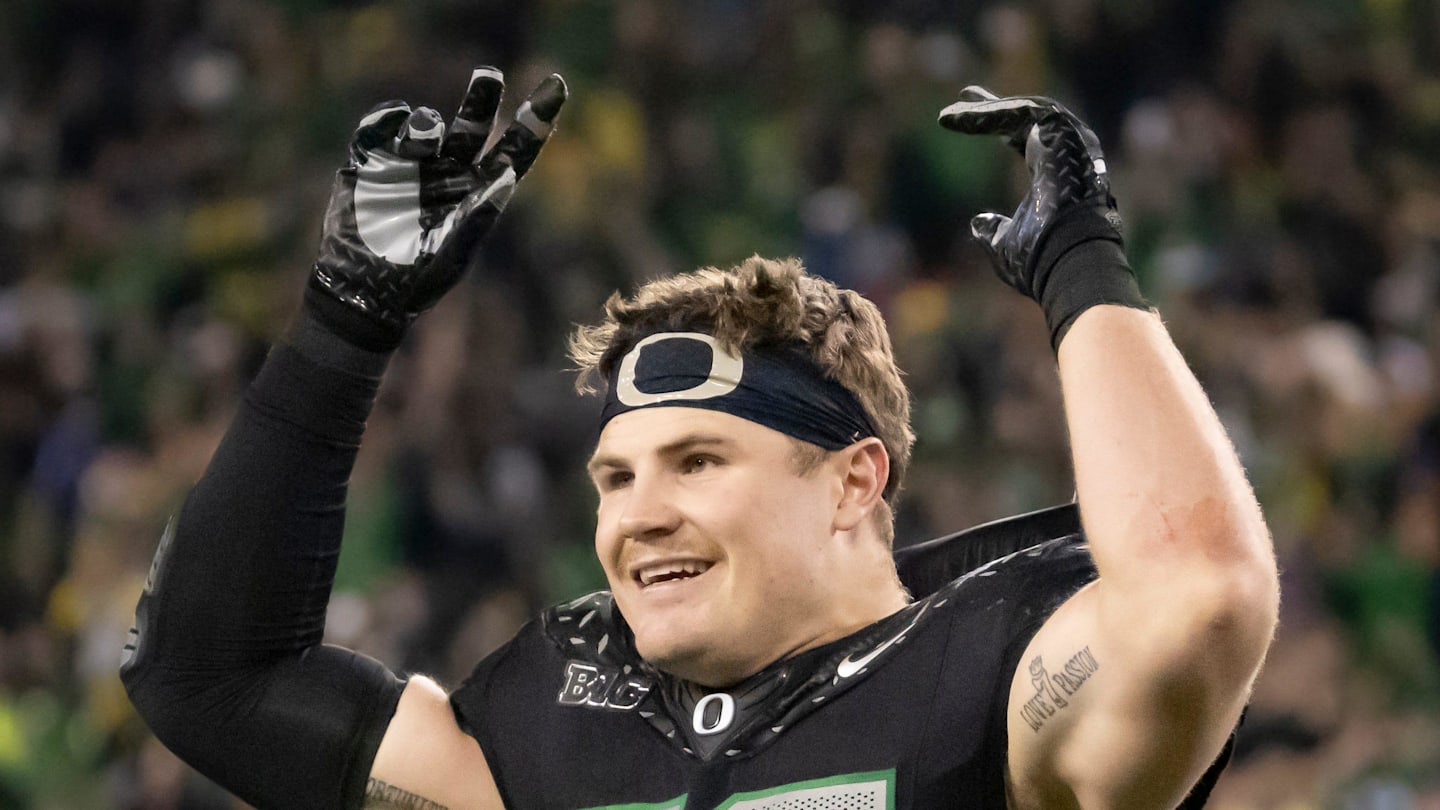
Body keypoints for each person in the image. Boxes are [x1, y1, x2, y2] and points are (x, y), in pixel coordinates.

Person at [120, 66, 1279, 810]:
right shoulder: (548, 723)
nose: (635, 516)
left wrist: (1082, 263)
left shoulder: (990, 674)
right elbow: (205, 679)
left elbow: (1200, 594)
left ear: (851, 480)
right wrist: (342, 321)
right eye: (615, 476)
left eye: (697, 462)